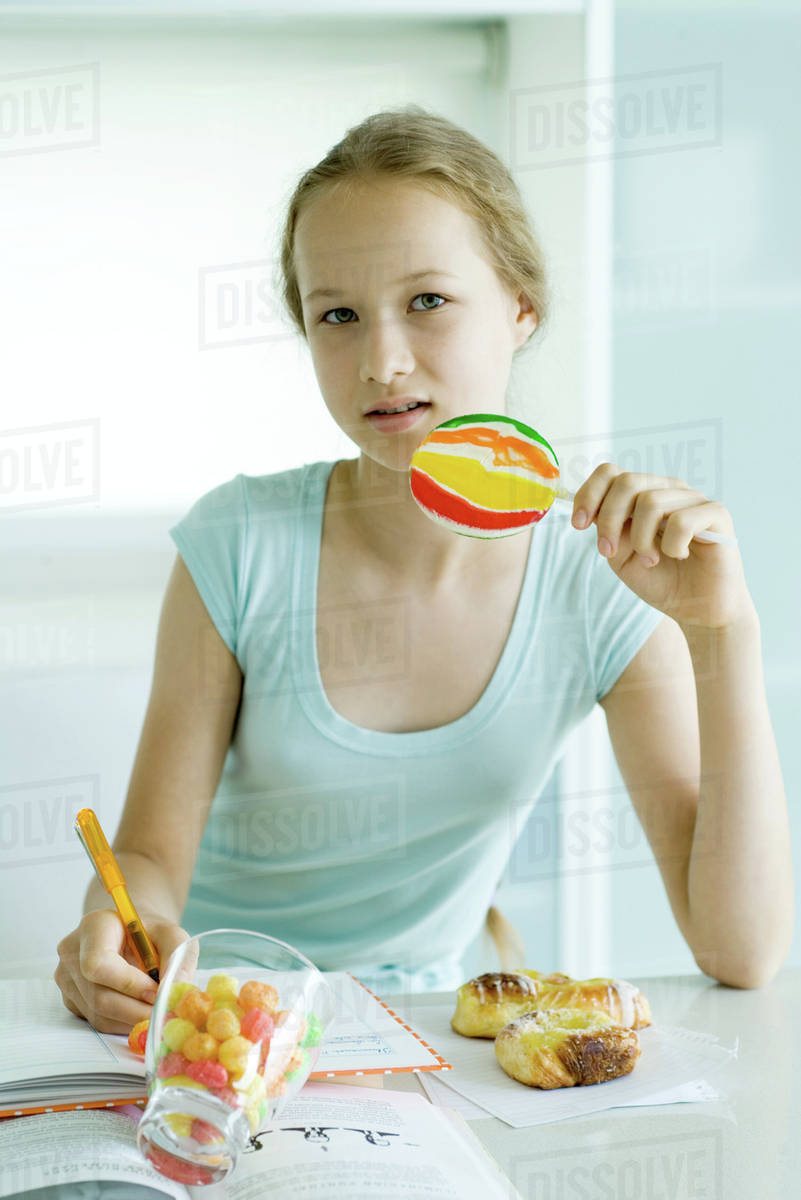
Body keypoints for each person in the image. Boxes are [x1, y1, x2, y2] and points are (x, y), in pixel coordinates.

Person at [55, 105, 793, 1036]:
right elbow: (148, 854)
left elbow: (741, 948)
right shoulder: (238, 543)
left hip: (421, 1037)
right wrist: (116, 926)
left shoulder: (606, 574)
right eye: (337, 315)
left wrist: (722, 634)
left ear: (520, 307)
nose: (382, 361)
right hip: (216, 1021)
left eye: (429, 301)